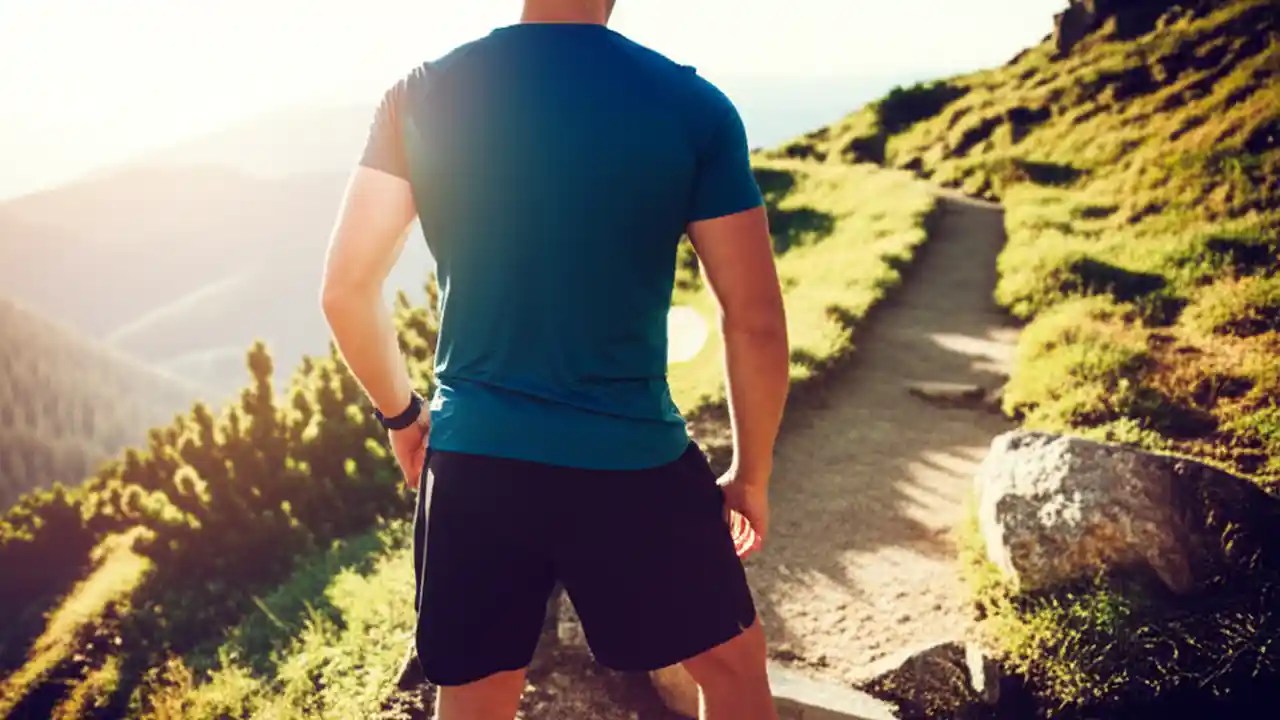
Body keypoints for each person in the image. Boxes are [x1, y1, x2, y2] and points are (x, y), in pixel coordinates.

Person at [320, 1, 789, 717]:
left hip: (474, 460)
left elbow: (346, 289)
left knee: (475, 693)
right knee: (731, 668)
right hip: (634, 461)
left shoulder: (420, 91)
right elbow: (753, 320)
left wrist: (403, 415)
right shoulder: (692, 106)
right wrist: (749, 475)